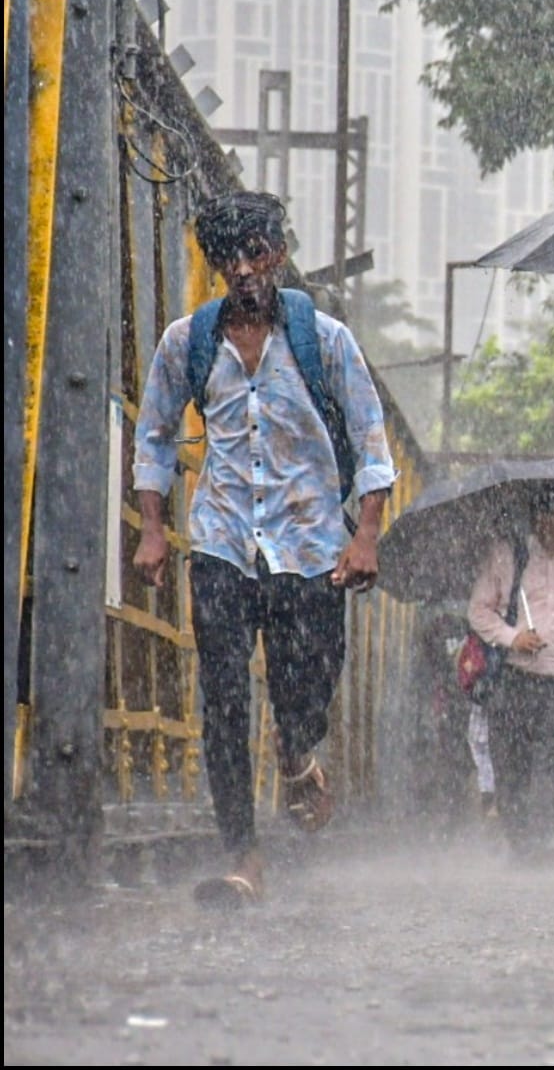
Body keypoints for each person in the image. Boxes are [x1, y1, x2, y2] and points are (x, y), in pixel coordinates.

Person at [130, 191, 396, 908]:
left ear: (278, 255)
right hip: (222, 540)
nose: (244, 269)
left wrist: (366, 535)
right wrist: (153, 528)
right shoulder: (188, 342)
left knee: (306, 687)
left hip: (310, 546)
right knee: (222, 700)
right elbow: (154, 433)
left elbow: (372, 440)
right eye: (230, 257)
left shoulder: (325, 341)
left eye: (256, 253)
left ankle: (298, 748)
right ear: (218, 265)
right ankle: (243, 858)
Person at [466, 488, 554, 868]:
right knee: (511, 765)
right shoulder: (508, 555)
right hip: (514, 679)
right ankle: (521, 843)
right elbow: (478, 611)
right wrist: (513, 637)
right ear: (541, 519)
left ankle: (539, 839)